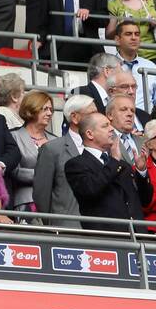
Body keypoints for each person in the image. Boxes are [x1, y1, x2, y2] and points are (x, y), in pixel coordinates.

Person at [65, 111, 151, 225]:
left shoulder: (122, 164)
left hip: (136, 234)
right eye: (105, 126)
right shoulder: (76, 165)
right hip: (107, 237)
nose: (111, 129)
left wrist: (141, 171)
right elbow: (91, 189)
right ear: (90, 134)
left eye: (110, 125)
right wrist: (114, 161)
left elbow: (145, 200)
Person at [32, 94, 96, 229]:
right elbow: (41, 194)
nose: (97, 118)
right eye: (92, 113)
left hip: (99, 229)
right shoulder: (52, 149)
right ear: (74, 117)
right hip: (67, 228)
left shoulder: (103, 147)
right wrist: (53, 224)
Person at [8, 90, 54, 211]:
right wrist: (45, 176)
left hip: (53, 201)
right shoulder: (14, 136)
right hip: (27, 200)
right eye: (44, 109)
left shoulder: (56, 139)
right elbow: (14, 171)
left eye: (51, 109)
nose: (49, 113)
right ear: (31, 110)